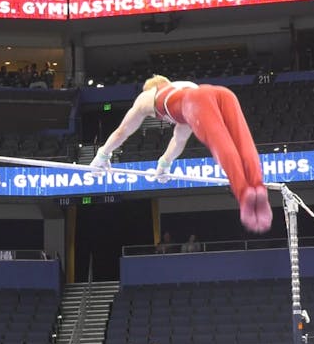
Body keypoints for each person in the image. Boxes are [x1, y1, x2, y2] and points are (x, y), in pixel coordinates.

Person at [90, 75, 272, 233]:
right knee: (242, 141)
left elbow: (123, 131)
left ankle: (243, 193)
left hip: (197, 101)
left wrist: (103, 154)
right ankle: (258, 186)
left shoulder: (147, 96)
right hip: (223, 94)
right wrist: (164, 164)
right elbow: (178, 140)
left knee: (220, 143)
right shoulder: (183, 97)